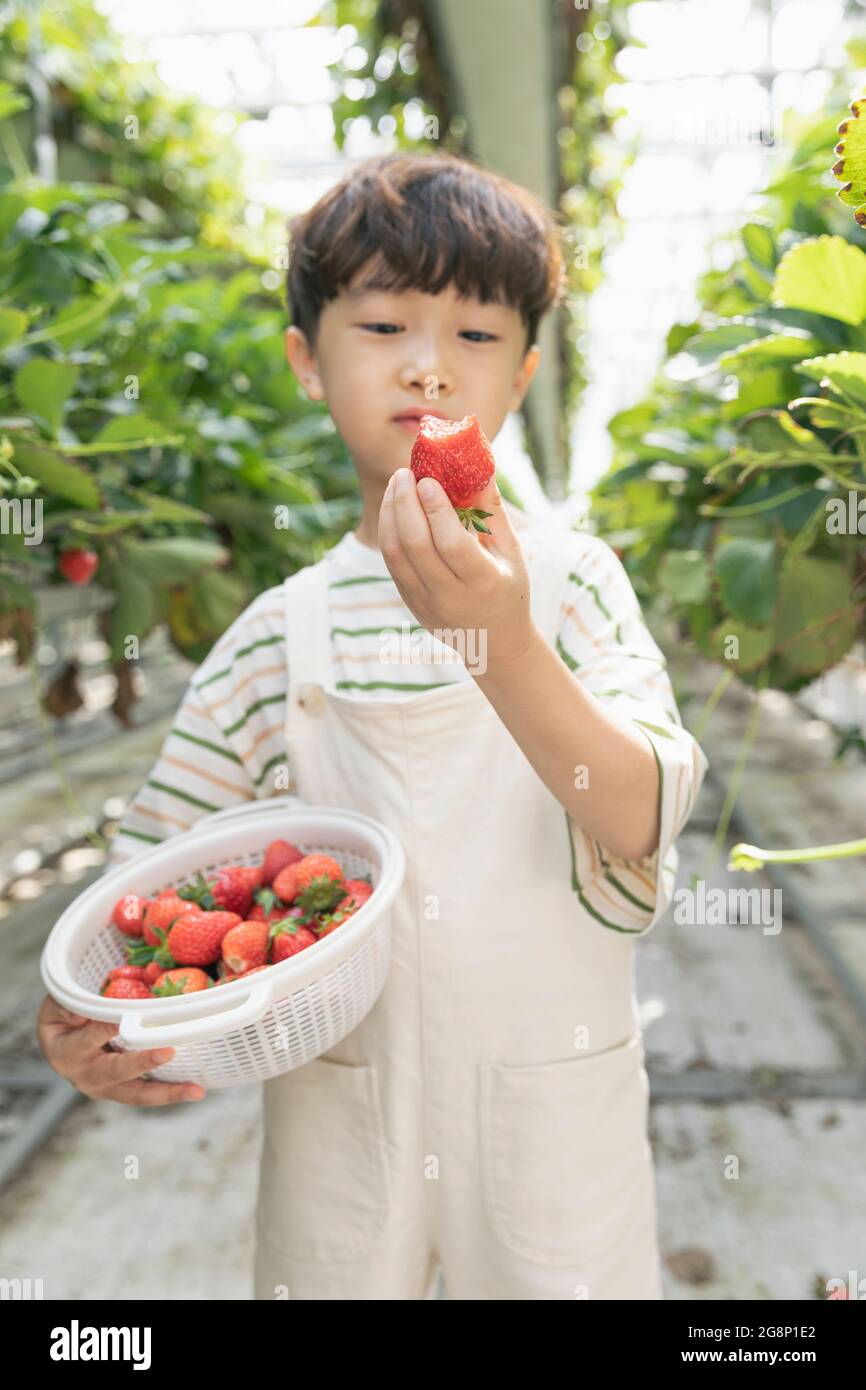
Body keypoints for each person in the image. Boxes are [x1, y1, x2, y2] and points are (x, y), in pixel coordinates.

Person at [38, 150, 709, 1300]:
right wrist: (83, 1013)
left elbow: (640, 812)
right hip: (341, 1121)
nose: (429, 368)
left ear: (525, 374)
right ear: (308, 359)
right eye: (384, 323)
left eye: (477, 337)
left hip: (557, 1116)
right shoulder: (275, 633)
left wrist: (499, 636)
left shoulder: (572, 582)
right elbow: (144, 884)